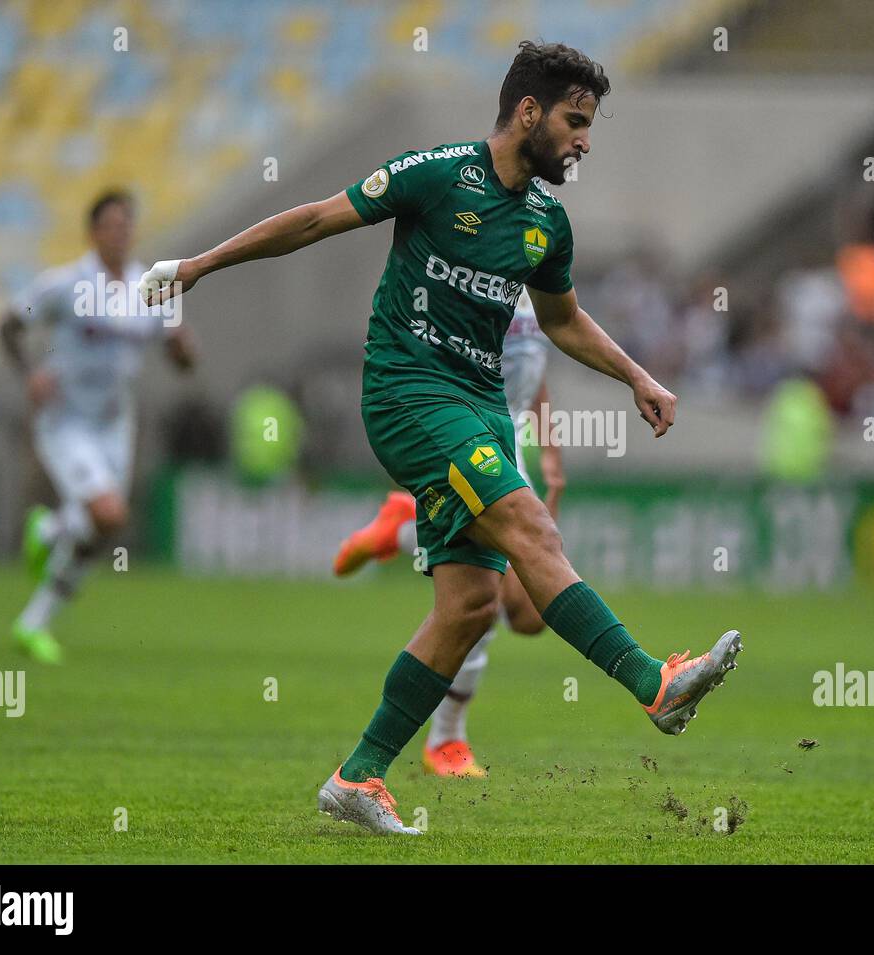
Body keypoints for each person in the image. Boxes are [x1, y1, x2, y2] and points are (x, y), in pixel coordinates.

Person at [140, 41, 742, 836]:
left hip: (481, 404)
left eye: (588, 125)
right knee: (532, 527)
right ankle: (652, 683)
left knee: (469, 606)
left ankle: (359, 775)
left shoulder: (545, 223)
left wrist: (635, 375)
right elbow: (319, 217)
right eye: (575, 121)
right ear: (529, 112)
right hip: (408, 392)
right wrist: (201, 263)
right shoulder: (437, 173)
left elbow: (560, 321)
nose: (584, 141)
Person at [332, 289, 564, 778]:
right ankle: (447, 737)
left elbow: (536, 359)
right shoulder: (474, 263)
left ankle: (400, 530)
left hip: (508, 439)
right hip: (469, 436)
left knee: (526, 613)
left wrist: (551, 452)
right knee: (479, 598)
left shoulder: (534, 254)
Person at [0, 191, 196, 664]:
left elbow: (182, 360)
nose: (120, 233)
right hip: (66, 419)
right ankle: (48, 533)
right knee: (107, 515)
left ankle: (34, 615)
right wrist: (30, 375)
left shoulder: (149, 287)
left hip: (114, 422)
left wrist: (183, 348)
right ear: (92, 232)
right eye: (110, 225)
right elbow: (8, 325)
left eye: (126, 225)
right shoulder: (65, 285)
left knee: (98, 531)